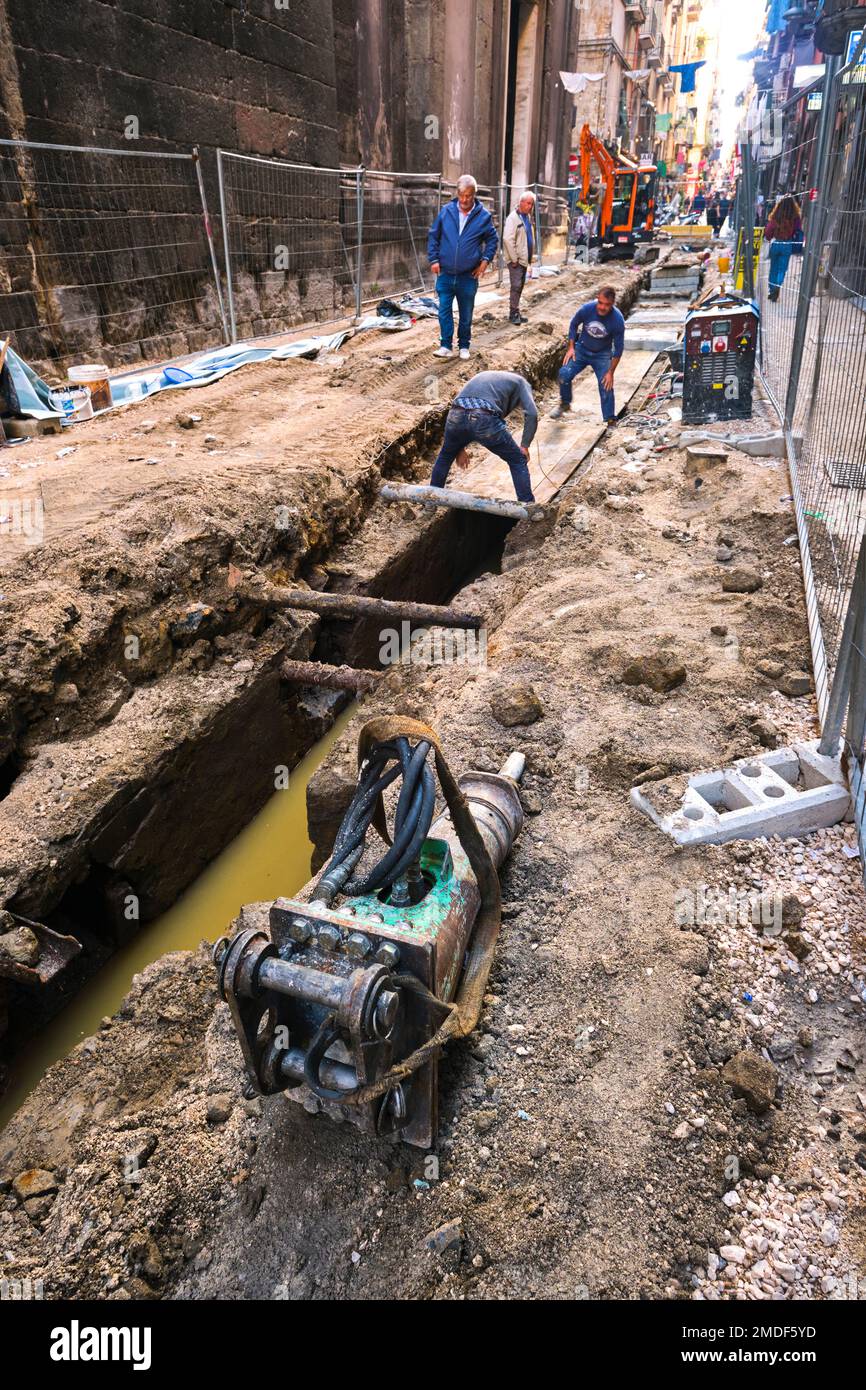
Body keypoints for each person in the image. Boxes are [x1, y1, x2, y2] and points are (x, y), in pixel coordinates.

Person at [429, 369, 538, 503]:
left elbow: (464, 409)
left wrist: (459, 447)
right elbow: (532, 413)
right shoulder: (521, 382)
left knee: (445, 456)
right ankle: (528, 506)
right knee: (517, 460)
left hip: (455, 414)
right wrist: (525, 445)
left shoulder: (485, 377)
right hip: (483, 417)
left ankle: (431, 503)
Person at [427, 174, 499, 360]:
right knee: (444, 310)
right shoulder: (446, 211)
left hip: (468, 275)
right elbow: (434, 236)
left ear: (474, 194)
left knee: (466, 312)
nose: (465, 200)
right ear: (457, 194)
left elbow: (492, 240)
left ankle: (464, 346)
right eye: (461, 195)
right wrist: (434, 260)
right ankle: (445, 345)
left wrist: (484, 262)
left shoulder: (483, 216)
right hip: (446, 272)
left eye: (469, 195)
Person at [550, 286, 624, 424]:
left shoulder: (617, 320)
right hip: (581, 349)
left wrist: (611, 372)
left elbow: (619, 349)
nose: (602, 307)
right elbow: (573, 324)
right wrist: (571, 347)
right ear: (597, 299)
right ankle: (565, 403)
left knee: (606, 384)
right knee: (564, 373)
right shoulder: (587, 309)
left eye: (607, 305)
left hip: (602, 354)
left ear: (612, 304)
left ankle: (609, 419)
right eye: (600, 303)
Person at [502, 190, 536, 325]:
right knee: (516, 286)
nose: (530, 206)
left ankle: (516, 311)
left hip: (523, 259)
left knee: (520, 286)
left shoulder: (526, 217)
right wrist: (514, 259)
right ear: (521, 202)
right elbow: (507, 239)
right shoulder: (513, 218)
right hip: (516, 260)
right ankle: (513, 314)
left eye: (531, 204)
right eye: (528, 203)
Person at [764, 195, 803, 300]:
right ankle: (778, 285)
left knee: (773, 269)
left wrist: (768, 238)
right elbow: (798, 230)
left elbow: (768, 231)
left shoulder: (776, 216)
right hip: (787, 244)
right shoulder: (795, 218)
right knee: (782, 269)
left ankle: (772, 289)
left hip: (776, 243)